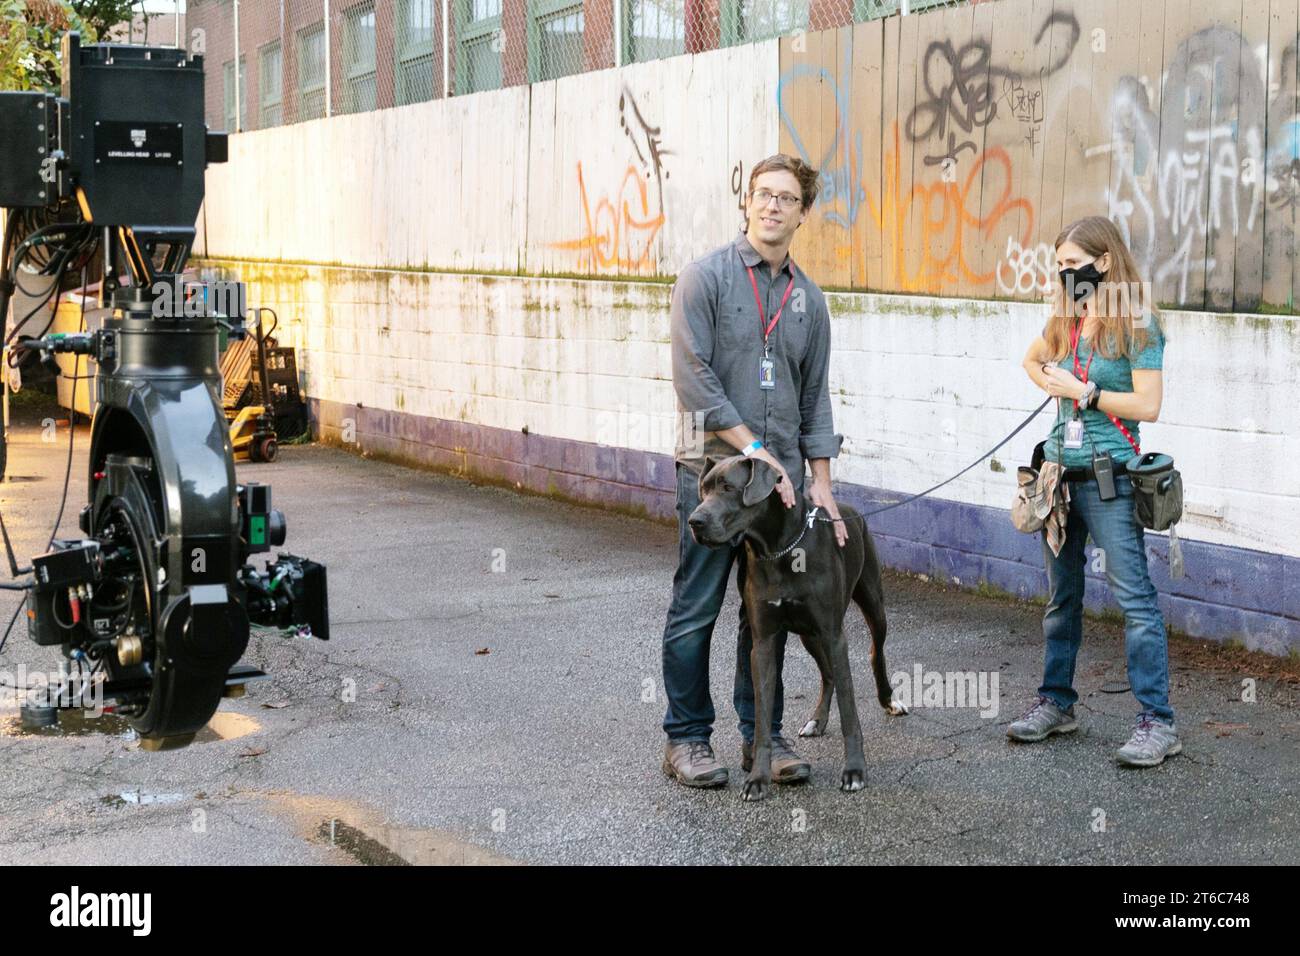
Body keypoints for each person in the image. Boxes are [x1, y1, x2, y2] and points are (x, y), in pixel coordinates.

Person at [660, 154, 844, 787]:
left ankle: (760, 736)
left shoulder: (809, 301)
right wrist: (752, 447)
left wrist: (820, 482)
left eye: (786, 198)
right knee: (699, 604)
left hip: (779, 491)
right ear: (747, 203)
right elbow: (693, 380)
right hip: (712, 473)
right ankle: (686, 739)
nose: (772, 206)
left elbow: (815, 395)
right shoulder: (703, 279)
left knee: (765, 609)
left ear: (802, 212)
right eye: (762, 194)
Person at [1013, 215, 1179, 767]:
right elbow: (1031, 359)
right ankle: (1056, 703)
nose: (1064, 273)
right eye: (1058, 265)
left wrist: (1084, 393)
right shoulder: (1066, 315)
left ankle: (1158, 722)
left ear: (1103, 262)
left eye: (1071, 264)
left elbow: (1148, 405)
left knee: (1134, 599)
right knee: (1062, 599)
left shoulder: (1137, 322)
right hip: (1060, 477)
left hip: (1111, 478)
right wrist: (1054, 385)